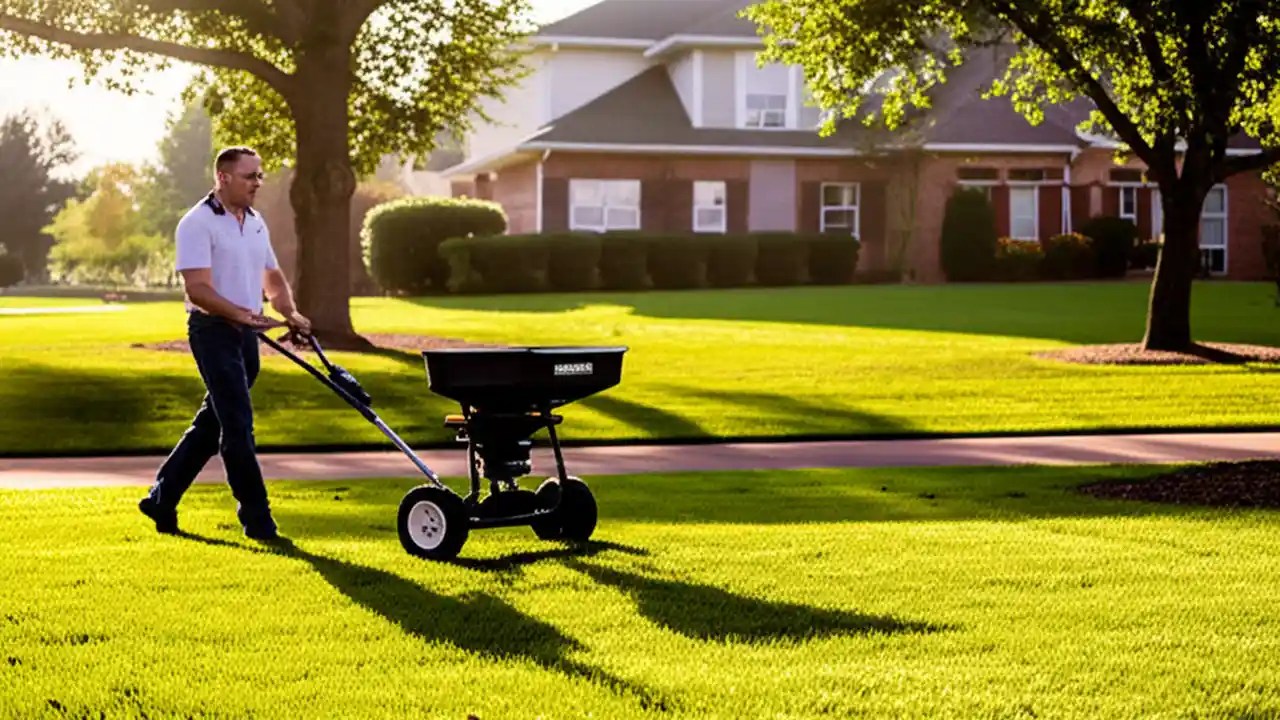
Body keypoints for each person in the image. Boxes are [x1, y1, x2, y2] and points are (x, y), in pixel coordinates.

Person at [138, 146, 311, 540]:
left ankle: (161, 499)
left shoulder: (255, 222)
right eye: (250, 176)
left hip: (245, 335)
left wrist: (291, 313)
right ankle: (258, 520)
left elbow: (274, 278)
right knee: (237, 426)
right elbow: (198, 290)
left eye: (259, 176)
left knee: (210, 423)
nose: (257, 183)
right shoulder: (196, 224)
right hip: (213, 332)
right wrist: (242, 315)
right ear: (224, 177)